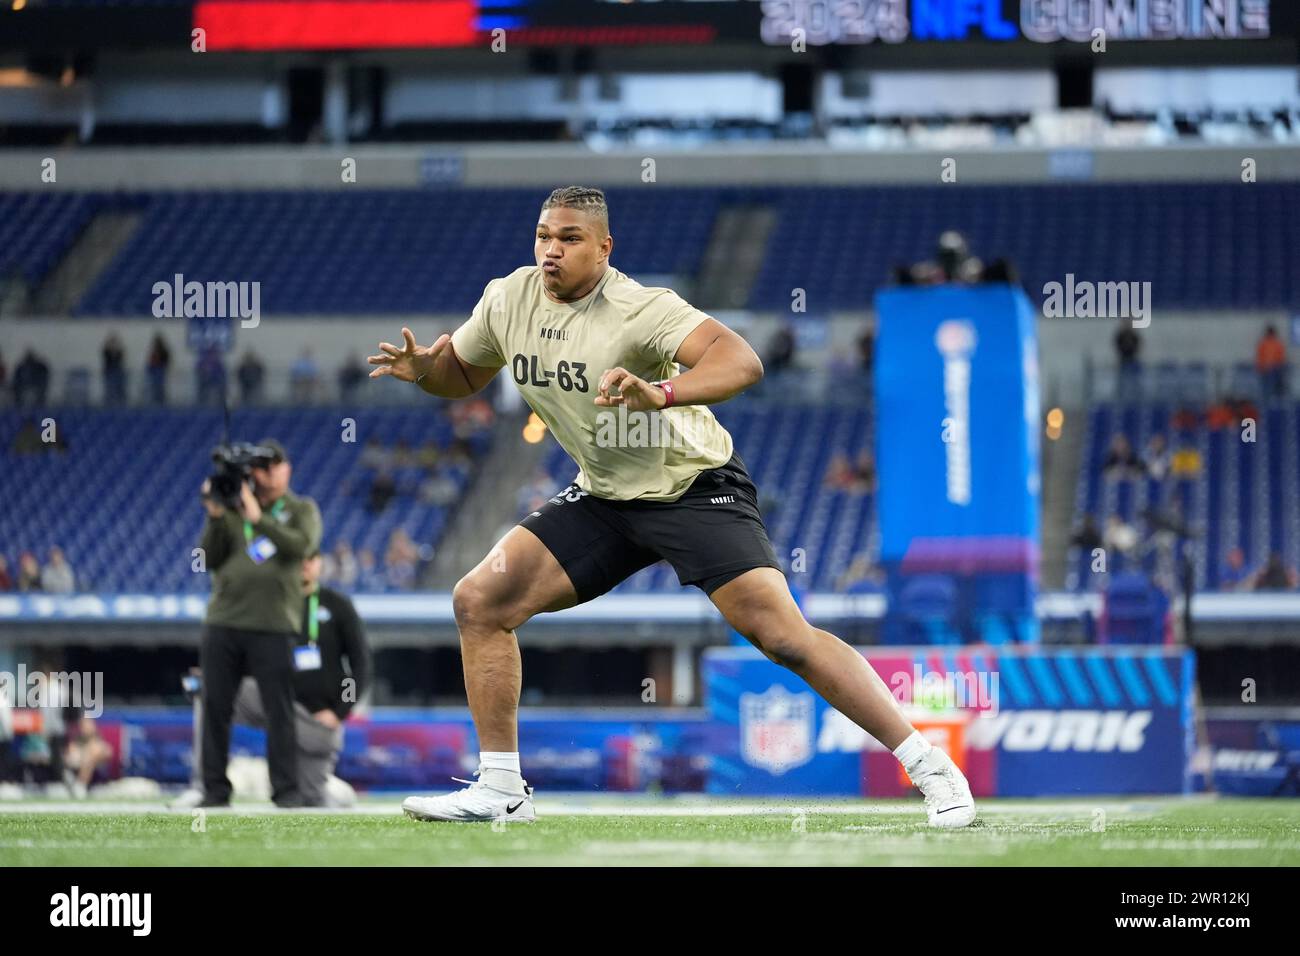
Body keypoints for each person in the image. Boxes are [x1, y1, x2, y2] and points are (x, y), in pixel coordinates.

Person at [367, 185, 975, 828]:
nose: (552, 250)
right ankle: (500, 786)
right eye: (544, 235)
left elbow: (742, 361)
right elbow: (461, 375)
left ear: (604, 248)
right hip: (604, 495)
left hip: (694, 486)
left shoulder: (640, 308)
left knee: (782, 637)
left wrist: (662, 393)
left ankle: (930, 765)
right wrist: (426, 371)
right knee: (479, 601)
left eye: (570, 239)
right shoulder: (506, 297)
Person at [176, 550, 369, 808]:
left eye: (310, 559)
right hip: (275, 703)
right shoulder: (270, 605)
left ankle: (335, 789)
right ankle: (203, 786)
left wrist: (340, 712)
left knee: (314, 798)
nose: (304, 565)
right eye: (297, 559)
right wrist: (219, 676)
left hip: (314, 720)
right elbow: (248, 655)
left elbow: (361, 665)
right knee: (210, 690)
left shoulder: (337, 605)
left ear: (320, 564)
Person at [195, 438, 322, 807]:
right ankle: (214, 790)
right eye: (259, 468)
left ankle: (286, 792)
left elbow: (302, 546)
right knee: (215, 707)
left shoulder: (301, 509)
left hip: (274, 623)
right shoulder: (232, 507)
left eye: (272, 467)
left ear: (286, 470)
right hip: (223, 621)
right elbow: (207, 558)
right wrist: (216, 515)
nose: (265, 474)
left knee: (278, 711)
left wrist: (258, 519)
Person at [1256, 325, 1287, 399]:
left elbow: (1281, 358)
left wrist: (1274, 366)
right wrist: (1263, 367)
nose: (1270, 335)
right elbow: (1259, 358)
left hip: (1275, 371)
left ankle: (1276, 397)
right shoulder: (1262, 344)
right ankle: (1267, 398)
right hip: (1265, 371)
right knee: (1266, 387)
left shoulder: (1278, 344)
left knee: (1277, 383)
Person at [102, 333, 127, 405]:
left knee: (119, 388)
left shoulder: (119, 351)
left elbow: (122, 356)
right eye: (112, 342)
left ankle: (120, 400)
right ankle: (109, 401)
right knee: (109, 388)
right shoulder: (107, 351)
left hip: (117, 372)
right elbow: (105, 354)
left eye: (114, 342)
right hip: (109, 372)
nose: (113, 344)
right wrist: (108, 344)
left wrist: (118, 346)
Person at [146, 334, 171, 405]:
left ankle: (161, 400)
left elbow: (166, 360)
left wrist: (163, 365)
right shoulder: (153, 350)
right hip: (154, 370)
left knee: (160, 386)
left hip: (160, 370)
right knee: (154, 386)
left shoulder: (164, 350)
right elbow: (150, 361)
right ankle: (155, 399)